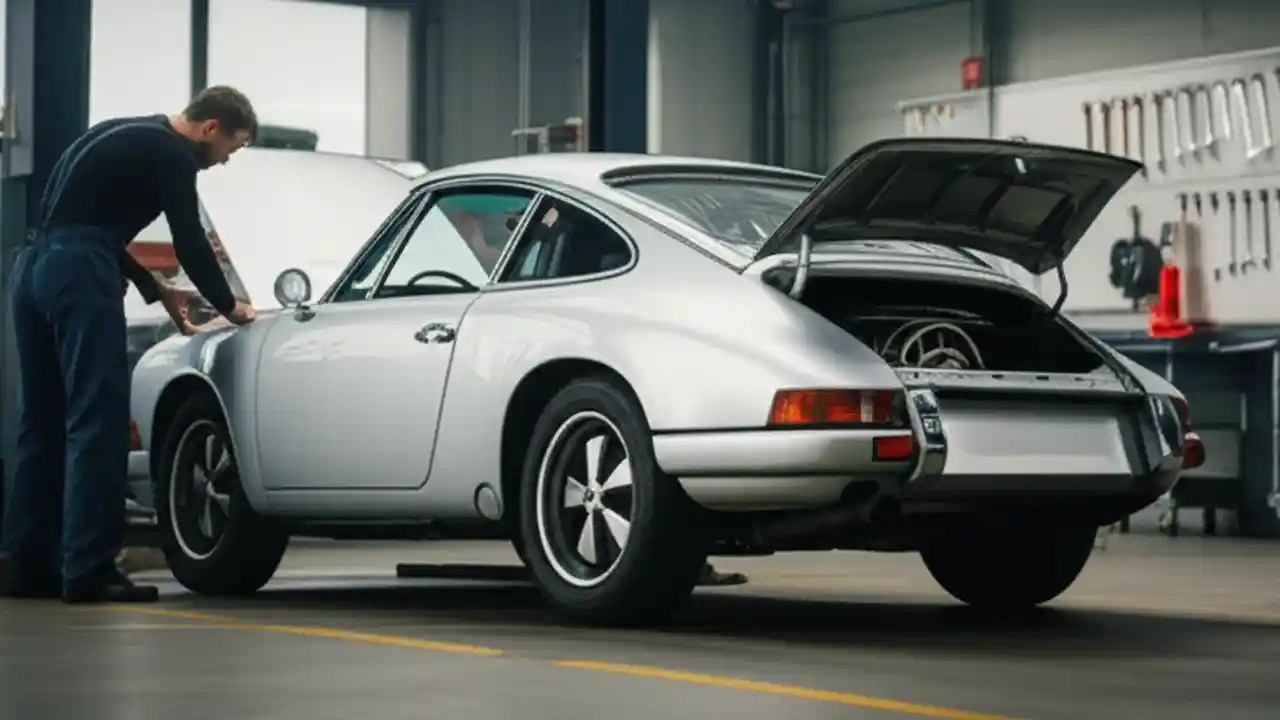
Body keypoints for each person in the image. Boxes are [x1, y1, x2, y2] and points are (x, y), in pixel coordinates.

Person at [0, 86, 258, 603]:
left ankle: (27, 568)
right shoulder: (173, 157)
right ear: (210, 129)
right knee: (98, 420)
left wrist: (152, 287)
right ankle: (90, 569)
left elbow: (76, 222)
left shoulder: (121, 131)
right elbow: (188, 237)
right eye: (232, 148)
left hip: (32, 269)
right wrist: (232, 307)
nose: (226, 160)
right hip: (79, 270)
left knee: (41, 424)